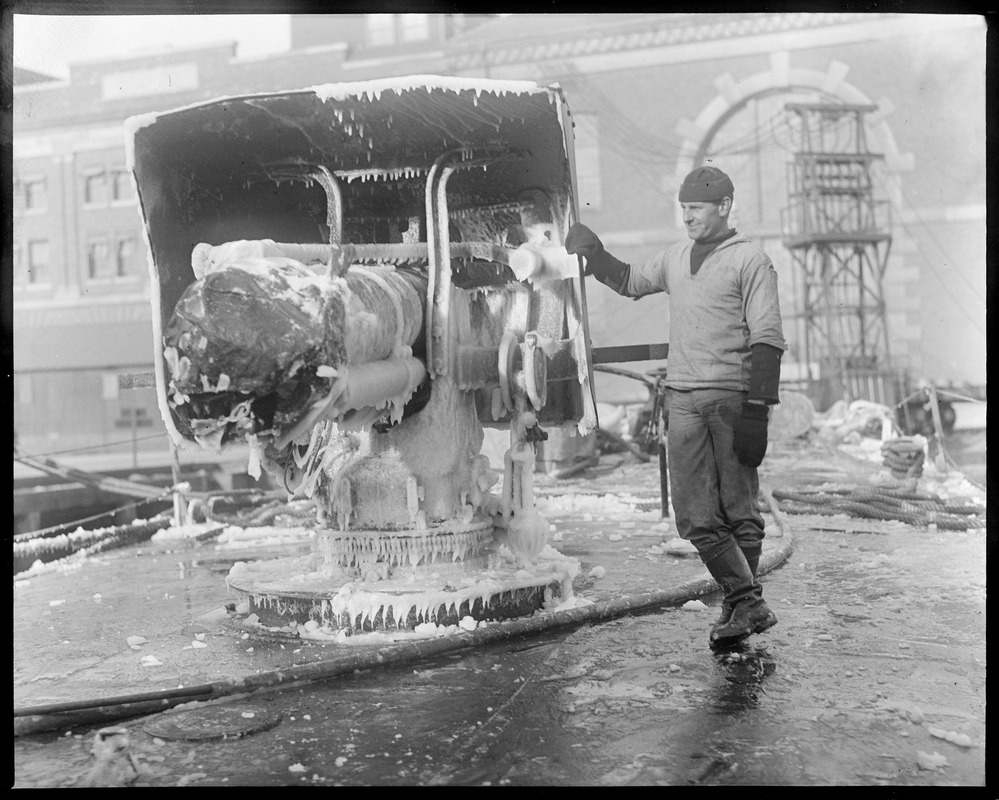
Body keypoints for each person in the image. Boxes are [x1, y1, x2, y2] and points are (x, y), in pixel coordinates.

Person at [565, 165, 786, 649]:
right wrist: (596, 255)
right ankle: (748, 601)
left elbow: (768, 339)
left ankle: (738, 609)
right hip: (683, 398)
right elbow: (629, 280)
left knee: (740, 510)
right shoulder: (675, 257)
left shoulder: (750, 260)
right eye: (683, 208)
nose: (687, 216)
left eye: (696, 208)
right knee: (693, 515)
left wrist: (758, 411)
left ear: (724, 206)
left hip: (732, 399)